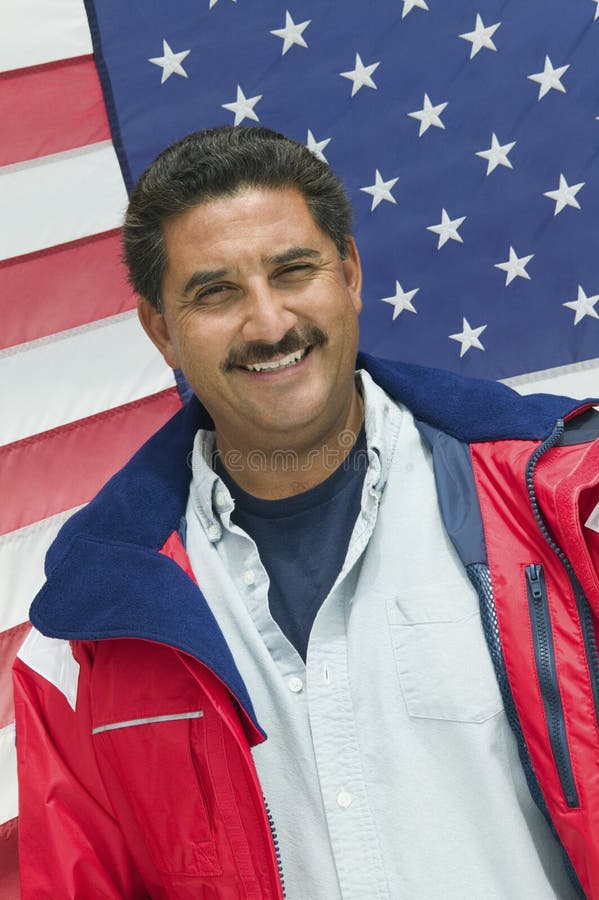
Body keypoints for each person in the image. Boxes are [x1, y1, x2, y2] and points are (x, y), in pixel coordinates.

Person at [13, 125, 599, 900]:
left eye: (293, 271)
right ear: (162, 330)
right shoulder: (82, 635)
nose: (268, 324)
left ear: (349, 273)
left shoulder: (567, 505)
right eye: (215, 292)